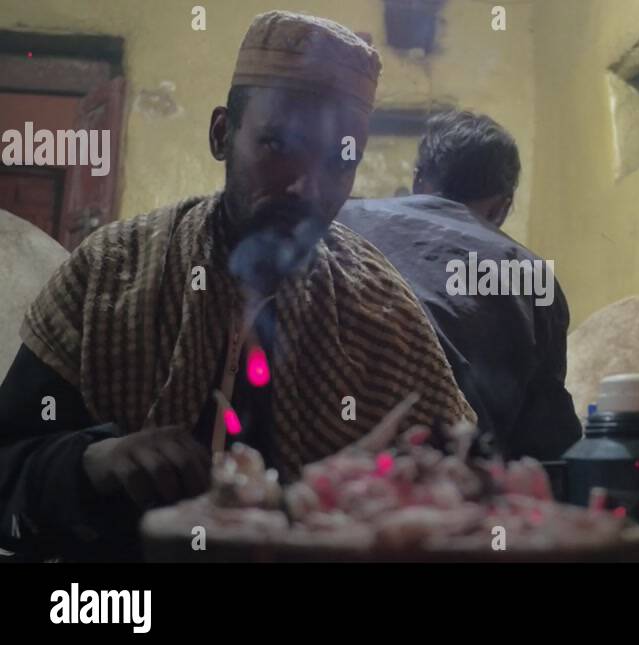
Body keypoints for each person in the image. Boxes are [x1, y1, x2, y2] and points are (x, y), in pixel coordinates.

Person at [0, 10, 473, 561]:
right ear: (223, 134)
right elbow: (7, 468)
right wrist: (90, 462)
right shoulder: (110, 274)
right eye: (279, 145)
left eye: (341, 160)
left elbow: (457, 486)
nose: (306, 186)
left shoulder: (380, 311)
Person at [339, 111, 581, 461]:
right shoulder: (529, 272)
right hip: (449, 482)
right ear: (503, 206)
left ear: (419, 180)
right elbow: (546, 443)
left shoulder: (341, 219)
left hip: (303, 462)